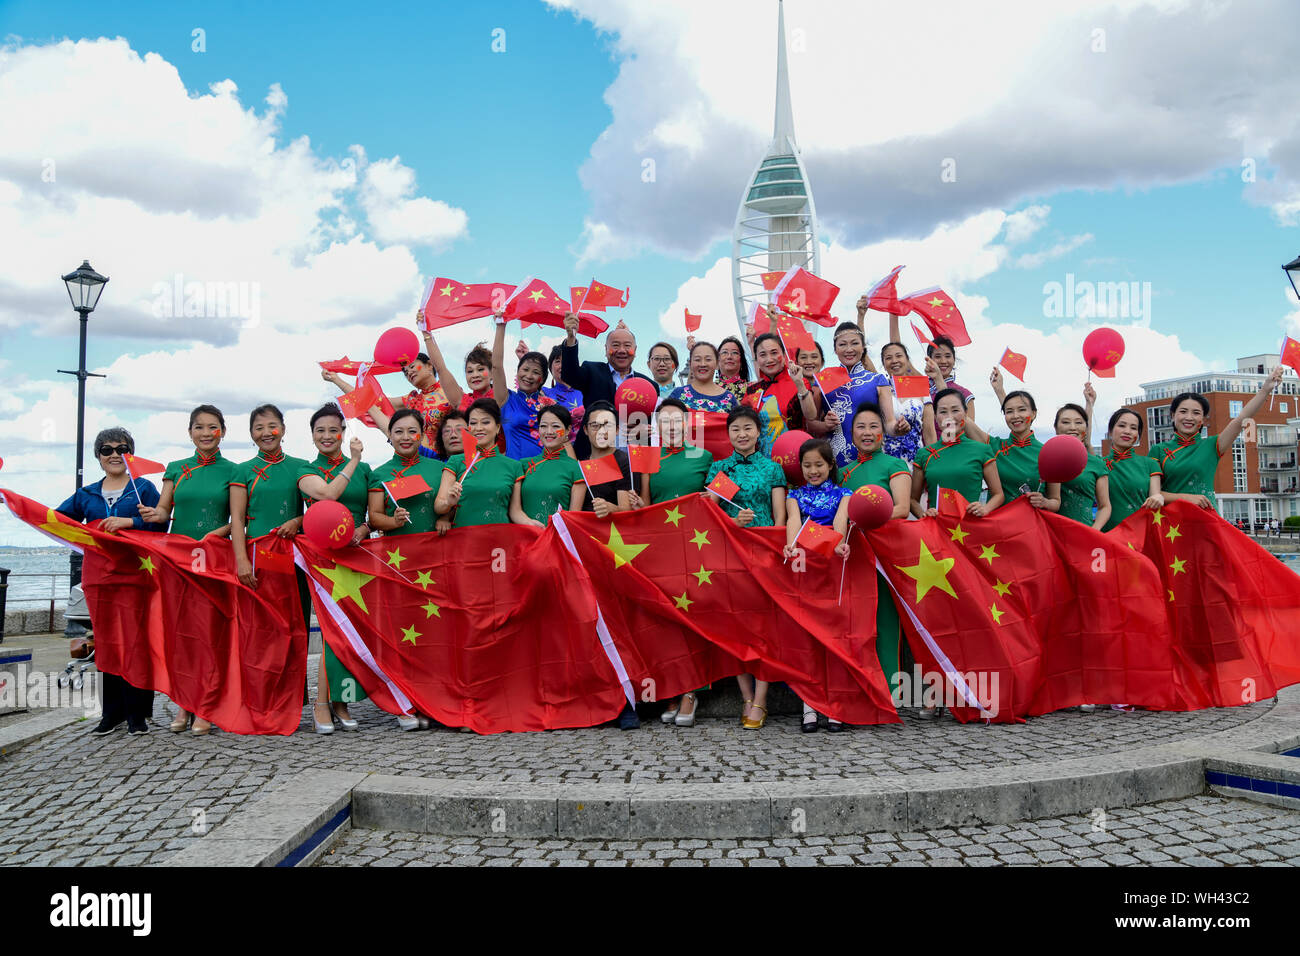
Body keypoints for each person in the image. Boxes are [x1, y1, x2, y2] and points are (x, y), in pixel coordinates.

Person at [137, 404, 238, 735]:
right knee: (181, 635)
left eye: (213, 427)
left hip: (213, 560)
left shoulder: (235, 470)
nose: (206, 433)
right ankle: (185, 702)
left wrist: (215, 534)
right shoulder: (176, 468)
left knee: (209, 635)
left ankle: (206, 706)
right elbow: (164, 512)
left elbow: (239, 520)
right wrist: (148, 515)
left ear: (223, 430)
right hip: (177, 562)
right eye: (199, 427)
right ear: (190, 432)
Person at [57, 426, 165, 736]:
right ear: (99, 456)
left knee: (133, 644)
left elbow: (161, 528)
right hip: (99, 580)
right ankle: (111, 713)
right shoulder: (86, 494)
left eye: (122, 449)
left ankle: (137, 713)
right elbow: (59, 520)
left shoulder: (143, 488)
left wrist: (132, 521)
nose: (115, 454)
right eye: (107, 450)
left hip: (134, 577)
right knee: (106, 645)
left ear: (131, 454)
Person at [705, 405, 788, 730]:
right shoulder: (720, 469)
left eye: (748, 428)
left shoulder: (772, 470)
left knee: (765, 628)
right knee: (735, 627)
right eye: (736, 429)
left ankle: (762, 699)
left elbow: (780, 516)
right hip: (729, 554)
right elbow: (709, 513)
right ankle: (745, 696)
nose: (742, 434)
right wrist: (731, 520)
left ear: (758, 433)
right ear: (728, 434)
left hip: (764, 554)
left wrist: (775, 550)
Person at [297, 405, 372, 734]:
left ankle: (342, 701)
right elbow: (328, 497)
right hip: (322, 559)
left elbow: (373, 513)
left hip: (357, 557)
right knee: (330, 630)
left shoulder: (367, 469)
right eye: (320, 431)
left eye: (333, 430)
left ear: (343, 431)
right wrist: (352, 460)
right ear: (312, 435)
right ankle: (321, 704)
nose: (327, 436)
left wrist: (365, 529)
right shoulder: (304, 470)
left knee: (351, 631)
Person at [367, 409, 442, 732]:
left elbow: (449, 507)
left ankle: (435, 702)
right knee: (403, 636)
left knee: (436, 635)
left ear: (422, 434)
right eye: (398, 432)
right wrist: (392, 521)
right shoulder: (379, 473)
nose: (405, 437)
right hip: (399, 565)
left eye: (412, 431)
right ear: (390, 436)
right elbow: (373, 518)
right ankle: (405, 703)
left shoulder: (439, 469)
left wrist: (446, 517)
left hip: (436, 564)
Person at [840, 403, 911, 693]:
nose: (867, 433)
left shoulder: (894, 465)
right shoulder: (842, 472)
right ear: (851, 433)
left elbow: (903, 509)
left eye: (873, 427)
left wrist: (862, 518)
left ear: (883, 432)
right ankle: (861, 687)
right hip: (851, 554)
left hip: (883, 556)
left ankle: (891, 690)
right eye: (861, 427)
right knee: (856, 622)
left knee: (885, 621)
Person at [782, 439, 852, 733]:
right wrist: (789, 544)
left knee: (835, 640)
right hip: (805, 569)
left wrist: (838, 545)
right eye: (807, 465)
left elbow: (839, 523)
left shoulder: (845, 494)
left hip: (833, 569)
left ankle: (836, 707)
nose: (813, 471)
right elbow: (794, 523)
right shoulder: (793, 496)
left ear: (830, 465)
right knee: (808, 639)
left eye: (819, 465)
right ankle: (809, 707)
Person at [1149, 366, 1284, 512]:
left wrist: (1265, 390)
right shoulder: (1158, 450)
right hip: (1172, 525)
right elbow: (1154, 494)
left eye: (1196, 413)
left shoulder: (1212, 445)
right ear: (1172, 415)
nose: (1189, 417)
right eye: (1183, 412)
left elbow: (1240, 420)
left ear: (1203, 420)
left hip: (1207, 520)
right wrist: (1187, 497)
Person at [561, 313, 655, 457]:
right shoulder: (592, 371)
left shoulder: (649, 385)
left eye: (627, 345)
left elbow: (655, 426)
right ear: (606, 349)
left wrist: (645, 430)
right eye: (615, 345)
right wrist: (571, 338)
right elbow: (569, 375)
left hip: (634, 460)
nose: (622, 350)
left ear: (635, 351)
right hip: (594, 456)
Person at [911, 389, 1005, 520]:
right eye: (943, 412)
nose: (949, 416)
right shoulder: (924, 454)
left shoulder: (982, 450)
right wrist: (924, 515)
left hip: (971, 528)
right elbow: (912, 500)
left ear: (966, 413)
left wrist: (984, 508)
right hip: (937, 530)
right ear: (935, 416)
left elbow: (998, 495)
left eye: (955, 410)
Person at [820, 322, 903, 468]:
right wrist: (824, 424)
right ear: (834, 349)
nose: (849, 349)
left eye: (855, 343)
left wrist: (897, 428)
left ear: (863, 347)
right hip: (833, 462)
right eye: (842, 344)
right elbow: (811, 423)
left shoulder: (877, 380)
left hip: (869, 458)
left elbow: (889, 423)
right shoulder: (823, 380)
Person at [434, 398, 525, 529]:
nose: (479, 428)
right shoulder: (456, 461)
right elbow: (438, 506)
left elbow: (516, 513)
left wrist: (535, 525)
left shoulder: (514, 466)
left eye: (486, 422)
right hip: (464, 540)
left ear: (498, 427)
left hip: (500, 542)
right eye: (473, 423)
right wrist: (448, 502)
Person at [965, 373, 1044, 507]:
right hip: (998, 524)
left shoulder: (1045, 453)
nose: (1015, 416)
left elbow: (1056, 501)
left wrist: (1045, 502)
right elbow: (960, 415)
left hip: (1033, 525)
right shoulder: (995, 447)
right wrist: (940, 381)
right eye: (1009, 412)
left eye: (1022, 409)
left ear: (1034, 413)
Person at [742, 331, 819, 453]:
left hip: (795, 454)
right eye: (763, 355)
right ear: (756, 359)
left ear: (784, 355)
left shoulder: (799, 382)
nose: (769, 359)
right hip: (762, 460)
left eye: (774, 353)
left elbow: (811, 415)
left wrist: (799, 384)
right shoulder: (752, 390)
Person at [490, 319, 553, 460]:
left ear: (542, 379)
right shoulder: (506, 399)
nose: (529, 376)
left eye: (536, 372)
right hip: (515, 473)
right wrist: (501, 326)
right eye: (525, 369)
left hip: (544, 470)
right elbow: (496, 366)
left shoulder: (550, 405)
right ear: (517, 372)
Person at [511, 406, 585, 525]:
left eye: (556, 426)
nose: (549, 431)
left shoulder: (576, 469)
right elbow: (514, 510)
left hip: (557, 538)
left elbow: (574, 518)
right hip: (525, 536)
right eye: (543, 426)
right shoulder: (523, 465)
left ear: (567, 430)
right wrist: (530, 524)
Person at [1047, 400, 1112, 529]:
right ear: (1055, 427)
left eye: (1079, 422)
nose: (1072, 427)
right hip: (1049, 534)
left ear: (1086, 428)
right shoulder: (1045, 457)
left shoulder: (1096, 464)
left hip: (1084, 534)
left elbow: (1104, 506)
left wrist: (1094, 531)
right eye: (1065, 422)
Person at [1101, 408, 1164, 531]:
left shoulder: (1150, 464)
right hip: (1108, 535)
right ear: (1110, 430)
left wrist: (1159, 498)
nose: (1127, 431)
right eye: (1122, 425)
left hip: (1140, 534)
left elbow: (1155, 494)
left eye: (1133, 428)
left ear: (1138, 435)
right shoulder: (1100, 464)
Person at [878, 340, 936, 463]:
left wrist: (933, 462)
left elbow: (929, 432)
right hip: (886, 460)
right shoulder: (879, 390)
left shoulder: (921, 388)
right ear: (883, 364)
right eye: (888, 358)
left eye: (899, 356)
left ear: (907, 359)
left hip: (916, 460)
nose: (894, 361)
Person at [578, 400, 639, 517]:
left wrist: (612, 508)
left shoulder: (626, 462)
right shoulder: (580, 465)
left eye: (607, 425)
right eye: (595, 426)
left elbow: (628, 512)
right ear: (585, 430)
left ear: (616, 430)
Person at [668, 342, 739, 415]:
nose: (703, 364)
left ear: (717, 364)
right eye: (697, 360)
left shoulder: (729, 398)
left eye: (708, 359)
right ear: (690, 364)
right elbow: (661, 423)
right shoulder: (678, 394)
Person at [923, 335, 976, 422]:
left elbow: (970, 432)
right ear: (929, 360)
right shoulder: (918, 388)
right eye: (937, 356)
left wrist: (938, 378)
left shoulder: (965, 395)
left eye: (947, 356)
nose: (943, 361)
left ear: (954, 360)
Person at [544, 345, 585, 445]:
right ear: (550, 368)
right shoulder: (543, 393)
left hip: (585, 453)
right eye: (558, 361)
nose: (563, 365)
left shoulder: (586, 391)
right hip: (556, 452)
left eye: (567, 360)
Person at [716, 336, 751, 403]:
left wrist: (752, 344)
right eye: (724, 352)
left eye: (735, 352)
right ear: (717, 361)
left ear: (741, 361)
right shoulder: (707, 389)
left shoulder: (752, 388)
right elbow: (691, 413)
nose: (729, 357)